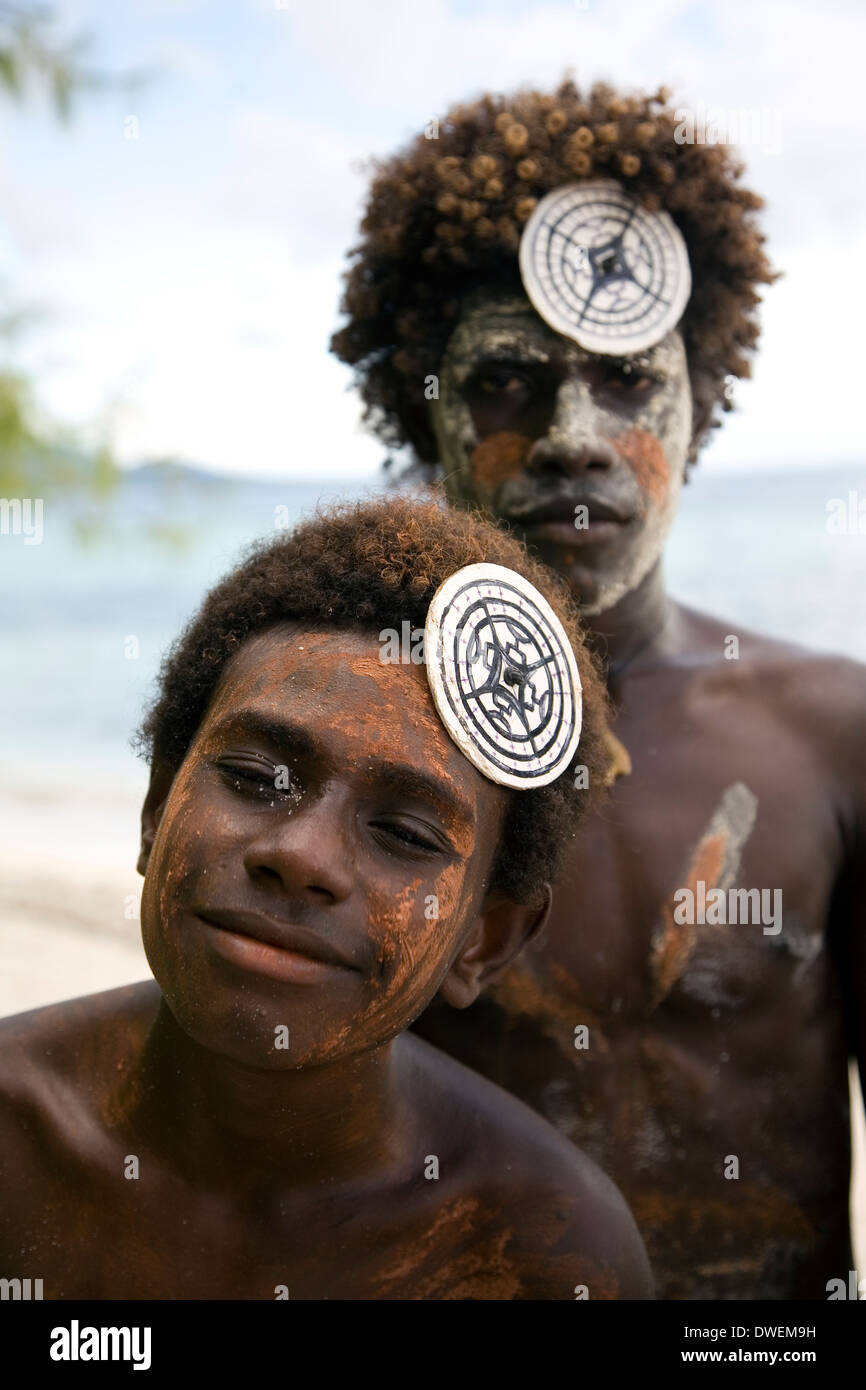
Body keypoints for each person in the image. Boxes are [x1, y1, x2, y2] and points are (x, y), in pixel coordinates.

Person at [331, 77, 866, 1299]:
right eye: (507, 383)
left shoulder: (829, 735)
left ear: (698, 412)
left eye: (627, 380)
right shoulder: (342, 736)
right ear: (431, 424)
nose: (573, 432)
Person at [0, 495, 652, 1301]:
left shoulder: (545, 1251)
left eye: (407, 835)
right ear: (155, 807)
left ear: (483, 938)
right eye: (252, 779)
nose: (302, 856)